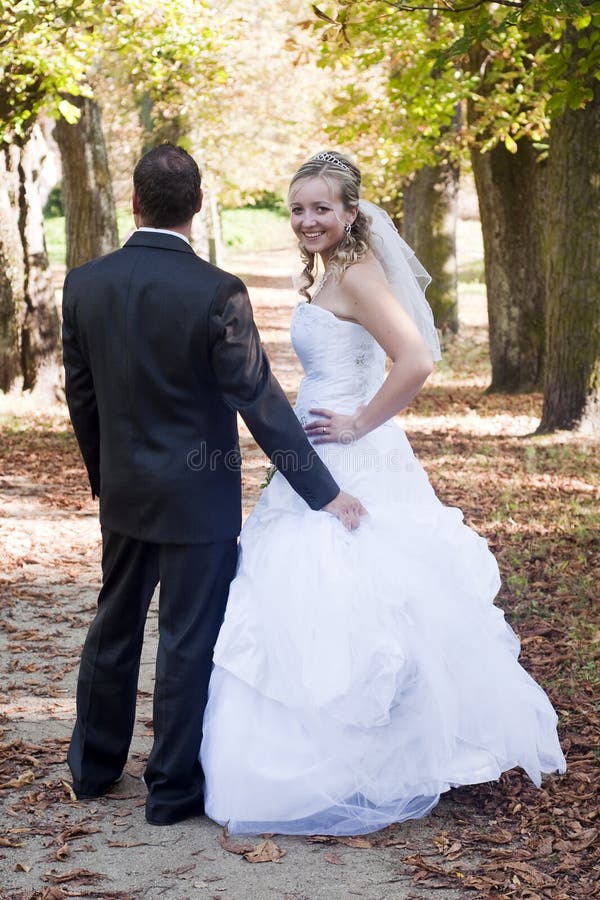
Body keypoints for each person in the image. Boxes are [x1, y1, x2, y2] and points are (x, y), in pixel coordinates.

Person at [200, 151, 566, 836]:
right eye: (299, 209)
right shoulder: (332, 272)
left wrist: (363, 420)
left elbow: (419, 359)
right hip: (315, 454)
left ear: (349, 211)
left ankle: (375, 757)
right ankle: (337, 754)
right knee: (317, 599)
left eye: (321, 208)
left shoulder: (360, 275)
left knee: (361, 597)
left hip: (352, 455)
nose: (308, 220)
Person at [62, 144, 365, 827]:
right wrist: (324, 490)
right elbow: (257, 399)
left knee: (113, 626)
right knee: (187, 638)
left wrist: (104, 478)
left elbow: (81, 396)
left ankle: (92, 768)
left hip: (126, 492)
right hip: (199, 497)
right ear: (198, 207)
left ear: (134, 203)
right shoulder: (215, 291)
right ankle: (169, 792)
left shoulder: (84, 282)